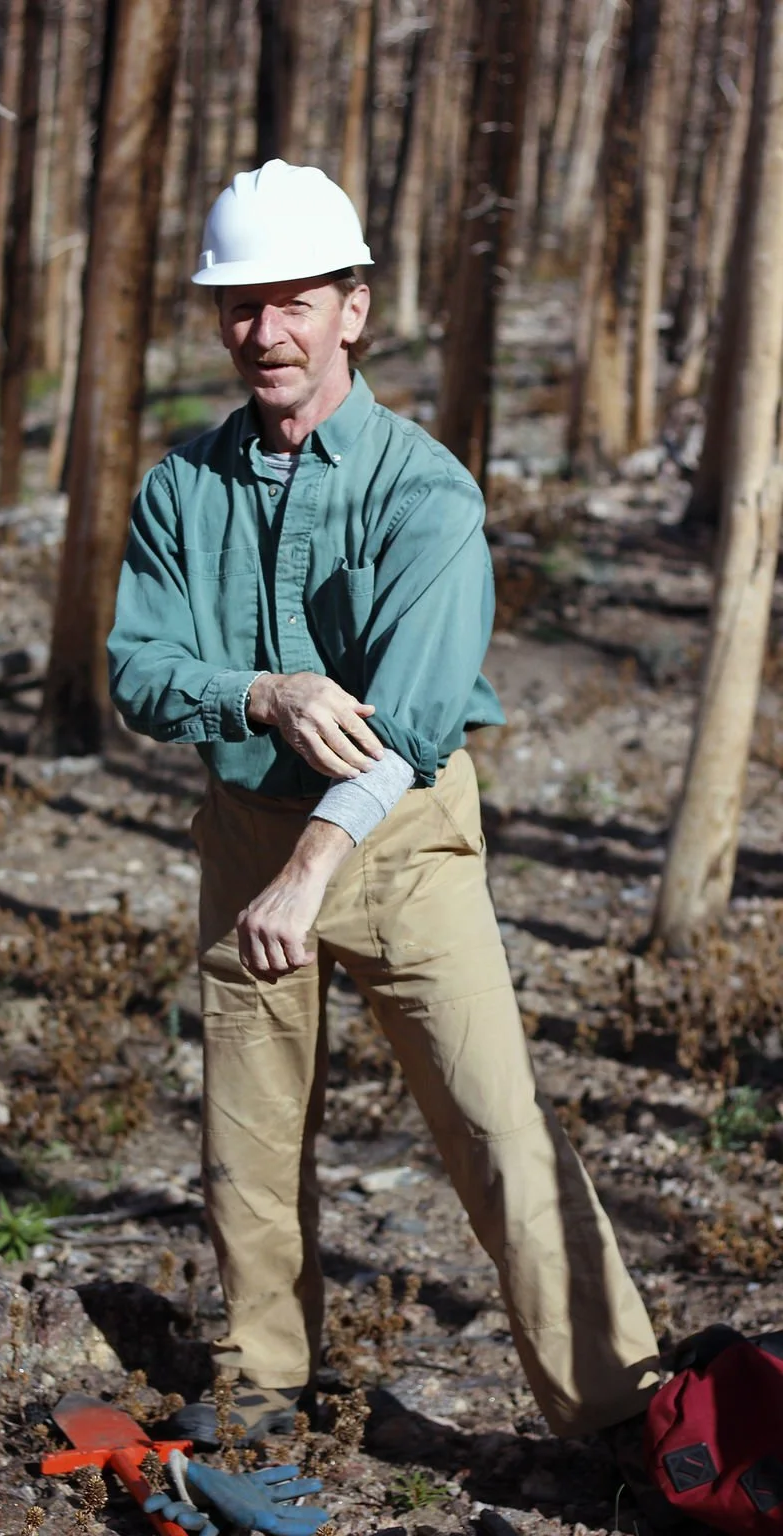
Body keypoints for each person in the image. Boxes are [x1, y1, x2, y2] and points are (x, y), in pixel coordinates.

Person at [107, 159, 660, 1452]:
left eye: (293, 300)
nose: (265, 333)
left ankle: (623, 1417)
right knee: (245, 1143)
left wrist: (313, 869)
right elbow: (140, 667)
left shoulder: (430, 494)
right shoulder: (181, 491)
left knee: (497, 1133)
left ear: (354, 307)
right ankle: (259, 1384)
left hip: (400, 844)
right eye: (240, 306)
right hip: (248, 835)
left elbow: (406, 725)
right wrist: (264, 693)